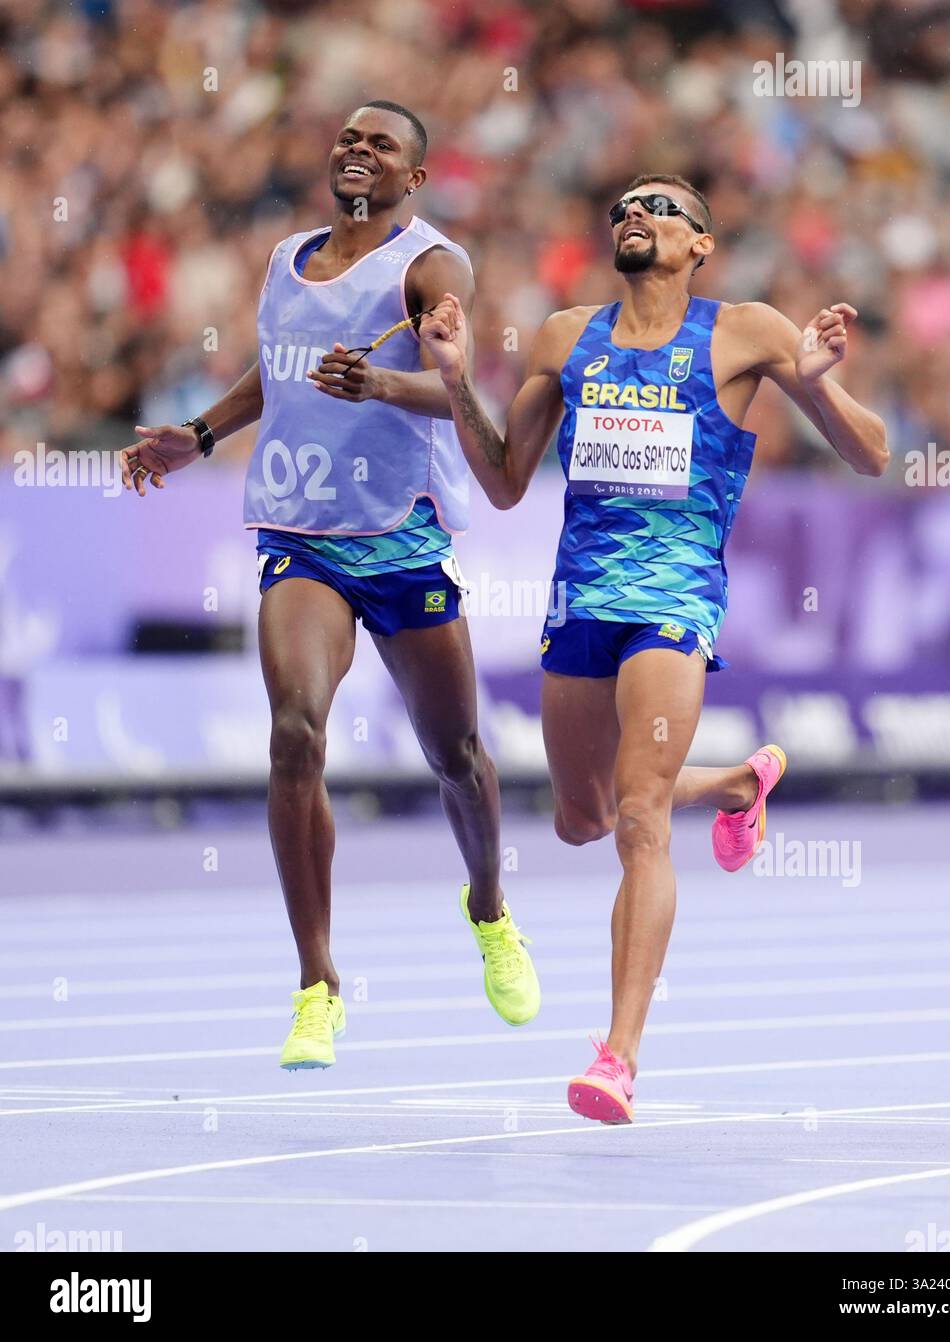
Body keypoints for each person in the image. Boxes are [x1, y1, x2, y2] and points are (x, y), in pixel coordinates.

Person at [419, 173, 890, 1122]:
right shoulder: (565, 336)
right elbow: (507, 481)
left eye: (660, 207)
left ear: (700, 244)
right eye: (623, 207)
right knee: (581, 817)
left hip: (675, 599)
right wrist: (454, 379)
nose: (634, 214)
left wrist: (825, 386)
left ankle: (618, 1056)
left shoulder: (745, 331)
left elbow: (871, 455)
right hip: (579, 599)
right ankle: (731, 784)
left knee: (638, 817)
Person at [119, 101, 540, 1073]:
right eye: (348, 137)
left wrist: (385, 384)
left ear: (414, 179)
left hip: (398, 535)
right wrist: (203, 434)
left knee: (457, 753)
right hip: (298, 533)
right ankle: (317, 984)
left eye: (381, 143)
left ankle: (488, 906)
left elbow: (460, 394)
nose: (358, 148)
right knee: (295, 732)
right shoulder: (285, 259)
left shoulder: (434, 268)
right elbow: (279, 373)